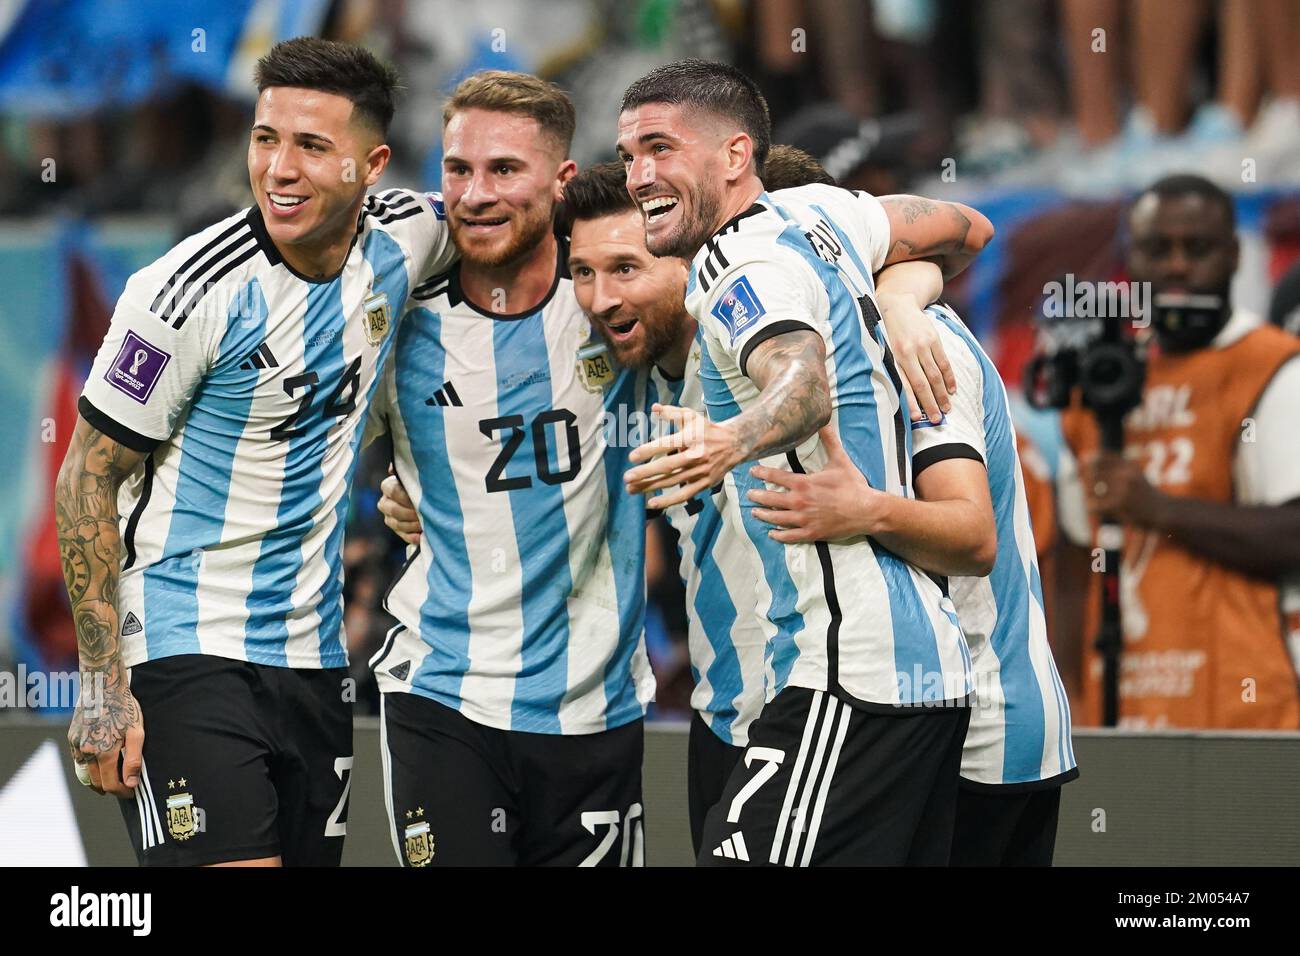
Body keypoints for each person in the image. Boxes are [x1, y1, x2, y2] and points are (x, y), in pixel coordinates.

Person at [54, 37, 457, 866]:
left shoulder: (408, 239)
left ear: (371, 163)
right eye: (265, 138)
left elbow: (520, 223)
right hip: (182, 646)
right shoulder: (184, 293)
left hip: (313, 659)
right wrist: (101, 690)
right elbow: (87, 480)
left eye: (313, 147)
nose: (278, 167)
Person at [617, 59, 993, 865]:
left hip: (843, 671)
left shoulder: (733, 267)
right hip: (916, 669)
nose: (639, 176)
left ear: (734, 156)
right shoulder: (826, 213)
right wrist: (900, 295)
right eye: (627, 157)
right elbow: (967, 227)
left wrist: (731, 438)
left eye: (660, 149)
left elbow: (800, 381)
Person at [365, 72, 655, 867]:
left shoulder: (616, 298)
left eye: (503, 170)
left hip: (595, 705)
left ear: (562, 182)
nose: (475, 193)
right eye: (458, 169)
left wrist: (905, 294)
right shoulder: (394, 318)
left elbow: (804, 237)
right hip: (444, 695)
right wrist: (406, 489)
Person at [751, 282, 1078, 865]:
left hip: (981, 728)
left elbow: (973, 536)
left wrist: (863, 510)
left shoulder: (919, 344)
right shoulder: (878, 317)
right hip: (955, 719)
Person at [1059, 173, 1300, 729]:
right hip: (1120, 698)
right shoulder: (1104, 376)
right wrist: (1070, 689)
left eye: (1197, 249)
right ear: (1129, 259)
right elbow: (1073, 555)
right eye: (1155, 249)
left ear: (1235, 255)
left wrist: (1159, 509)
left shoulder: (1273, 367)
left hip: (1246, 706)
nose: (1175, 266)